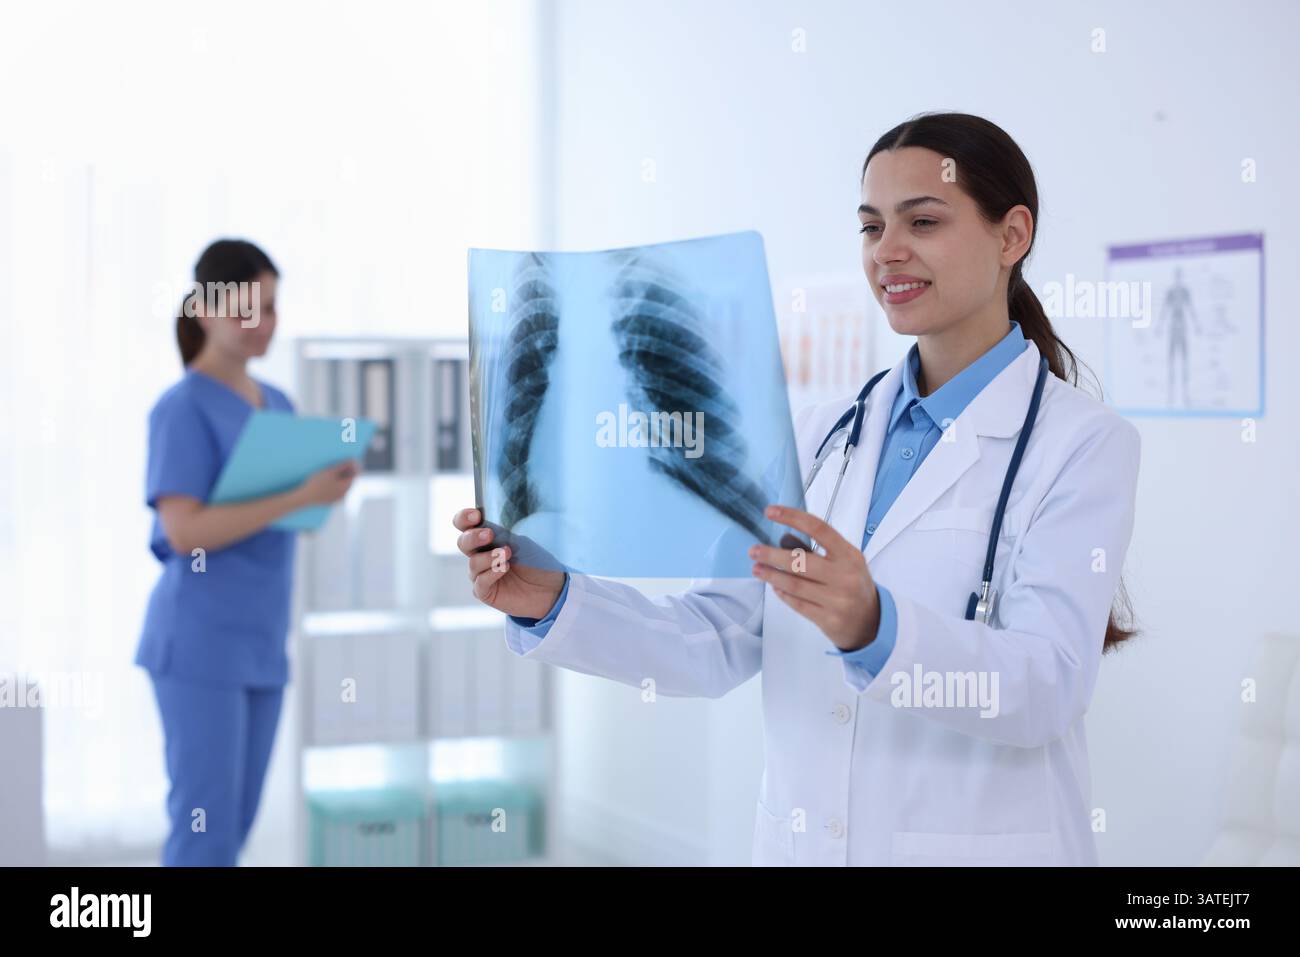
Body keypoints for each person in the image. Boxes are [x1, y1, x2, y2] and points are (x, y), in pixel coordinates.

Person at [453, 112, 1142, 866]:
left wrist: (875, 626)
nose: (889, 251)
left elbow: (1048, 686)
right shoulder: (817, 437)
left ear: (1012, 235)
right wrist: (552, 598)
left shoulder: (1082, 443)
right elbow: (716, 638)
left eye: (924, 220)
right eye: (871, 227)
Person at [137, 239, 358, 866]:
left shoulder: (280, 403)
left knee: (233, 829)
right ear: (205, 311)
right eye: (245, 310)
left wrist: (323, 494)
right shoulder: (180, 410)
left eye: (270, 307)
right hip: (198, 645)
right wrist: (297, 496)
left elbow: (288, 522)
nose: (261, 323)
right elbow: (183, 534)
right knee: (202, 832)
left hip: (260, 641)